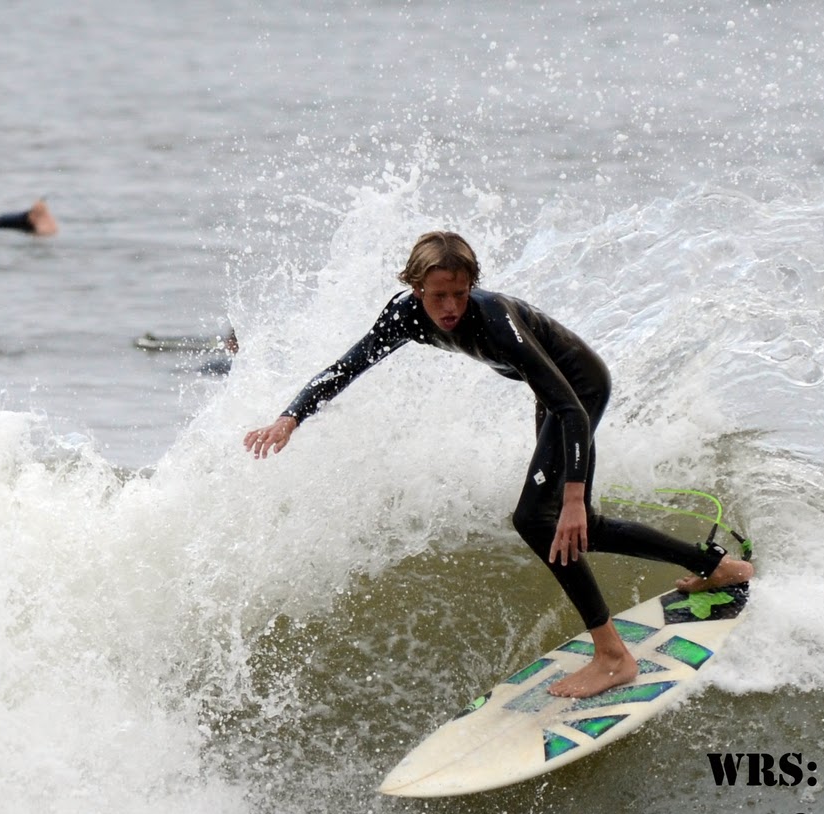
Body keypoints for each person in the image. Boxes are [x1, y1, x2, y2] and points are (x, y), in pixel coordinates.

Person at [244, 231, 753, 698]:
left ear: (472, 287)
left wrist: (572, 497)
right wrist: (290, 418)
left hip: (578, 391)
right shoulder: (403, 316)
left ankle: (613, 655)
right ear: (416, 287)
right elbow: (344, 368)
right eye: (438, 295)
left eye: (460, 294)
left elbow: (571, 407)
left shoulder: (494, 320)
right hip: (553, 395)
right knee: (581, 530)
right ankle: (718, 567)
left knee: (538, 520)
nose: (449, 308)